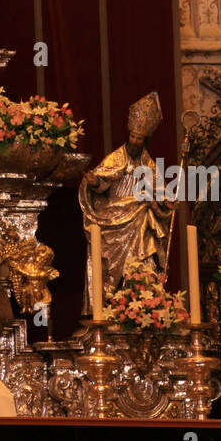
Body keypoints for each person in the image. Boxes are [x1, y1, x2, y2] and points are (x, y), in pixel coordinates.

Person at [78, 91, 170, 307]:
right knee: (108, 268)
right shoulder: (115, 159)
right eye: (133, 137)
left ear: (144, 140)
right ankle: (111, 304)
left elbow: (160, 194)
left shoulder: (149, 166)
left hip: (139, 218)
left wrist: (166, 203)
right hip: (113, 219)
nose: (135, 141)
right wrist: (93, 183)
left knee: (144, 255)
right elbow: (102, 183)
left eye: (139, 138)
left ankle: (139, 302)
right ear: (128, 135)